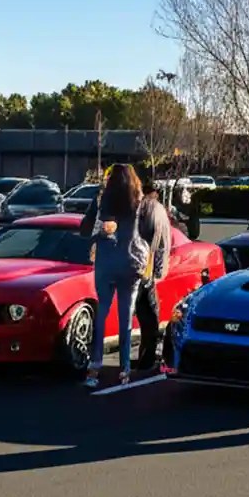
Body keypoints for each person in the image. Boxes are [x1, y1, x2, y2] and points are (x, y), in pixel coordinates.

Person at [78, 164, 150, 389]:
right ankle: (124, 369)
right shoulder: (140, 203)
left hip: (106, 263)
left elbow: (84, 230)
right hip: (130, 263)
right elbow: (148, 234)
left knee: (102, 315)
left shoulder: (101, 201)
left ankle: (95, 366)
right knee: (126, 318)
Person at [132, 183, 173, 372]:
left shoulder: (134, 207)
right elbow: (162, 243)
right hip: (146, 270)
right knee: (150, 313)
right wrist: (158, 271)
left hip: (132, 268)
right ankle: (148, 358)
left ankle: (139, 358)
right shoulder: (156, 210)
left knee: (140, 312)